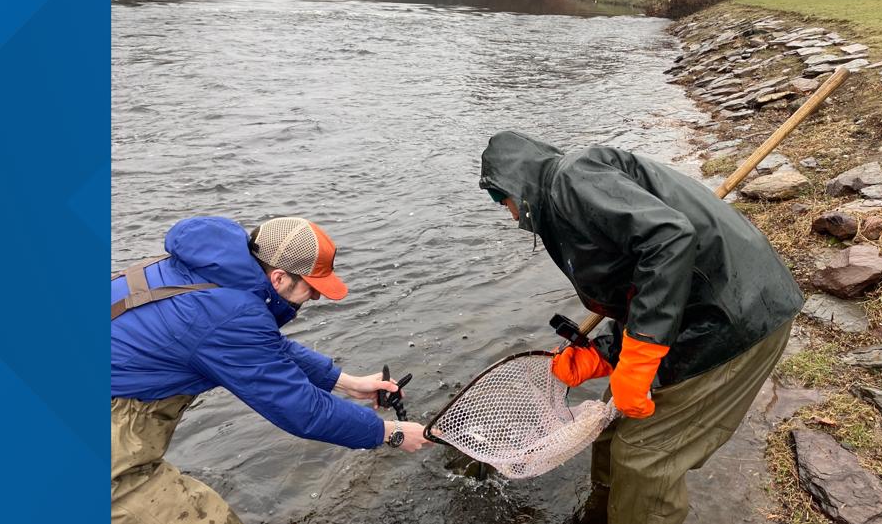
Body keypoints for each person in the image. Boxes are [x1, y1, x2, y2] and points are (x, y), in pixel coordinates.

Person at [479, 131, 804, 524]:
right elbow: (644, 283)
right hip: (696, 314)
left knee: (644, 457)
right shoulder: (570, 198)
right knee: (611, 428)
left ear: (517, 185)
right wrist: (606, 351)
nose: (509, 214)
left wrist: (642, 350)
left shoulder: (571, 180)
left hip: (737, 318)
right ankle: (603, 511)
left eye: (502, 200)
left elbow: (669, 239)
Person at [111, 216, 430, 524]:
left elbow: (269, 350)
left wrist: (347, 383)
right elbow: (304, 412)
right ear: (279, 278)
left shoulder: (216, 276)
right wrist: (391, 433)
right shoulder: (229, 316)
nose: (317, 297)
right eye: (312, 287)